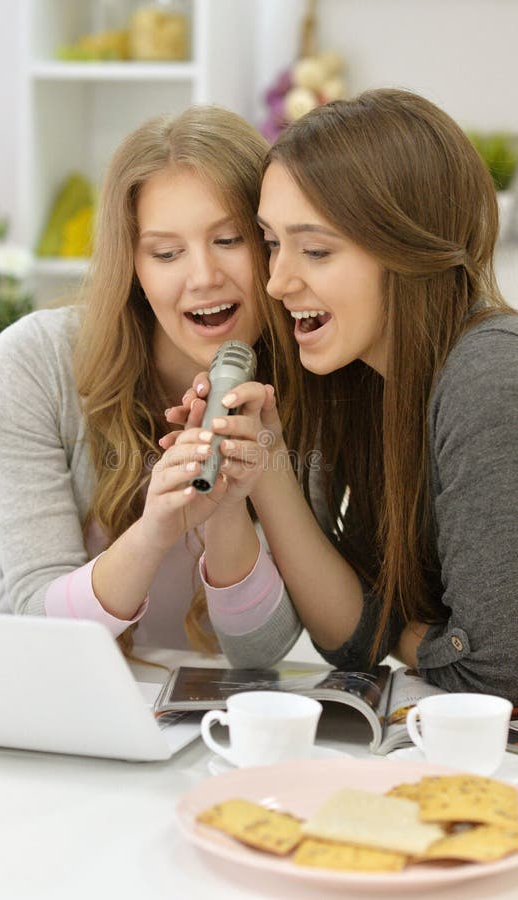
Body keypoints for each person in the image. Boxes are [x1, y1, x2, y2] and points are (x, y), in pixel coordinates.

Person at [171, 89, 518, 700]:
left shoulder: (488, 376)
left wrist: (406, 633)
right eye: (272, 244)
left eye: (316, 251)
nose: (278, 282)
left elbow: (494, 675)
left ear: (408, 247)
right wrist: (265, 458)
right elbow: (355, 640)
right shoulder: (368, 382)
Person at [0, 105, 306, 667]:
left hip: (194, 701)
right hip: (38, 679)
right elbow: (37, 624)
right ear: (133, 267)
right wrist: (154, 531)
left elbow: (262, 652)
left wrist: (227, 508)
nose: (203, 277)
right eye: (166, 253)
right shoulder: (35, 361)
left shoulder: (306, 375)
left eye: (230, 239)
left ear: (271, 243)